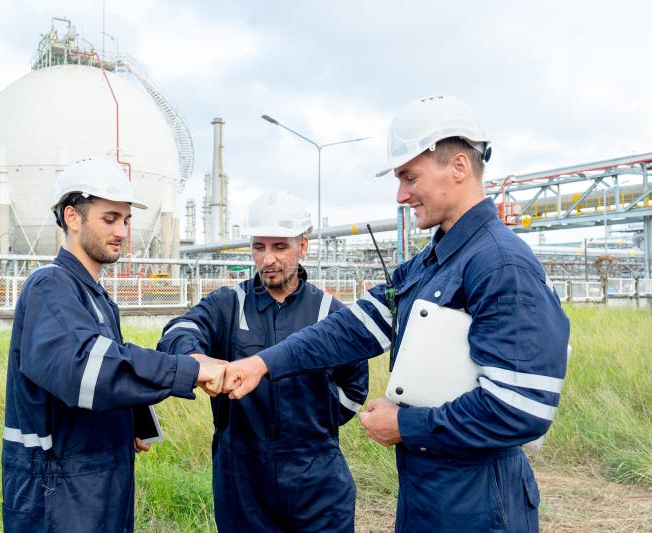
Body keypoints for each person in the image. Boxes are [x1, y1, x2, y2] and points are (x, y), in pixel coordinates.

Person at [222, 96, 570, 532]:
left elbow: (520, 407)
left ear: (459, 167)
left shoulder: (500, 265)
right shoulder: (433, 262)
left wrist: (406, 425)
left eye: (410, 176)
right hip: (431, 494)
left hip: (481, 504)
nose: (401, 194)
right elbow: (350, 329)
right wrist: (262, 363)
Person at [1, 157, 225, 532]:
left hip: (98, 478)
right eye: (109, 219)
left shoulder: (97, 297)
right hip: (58, 490)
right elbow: (86, 369)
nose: (121, 230)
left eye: (125, 220)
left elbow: (104, 369)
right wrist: (191, 369)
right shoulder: (50, 287)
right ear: (73, 217)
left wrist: (131, 423)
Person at [157, 190, 368, 532]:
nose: (268, 259)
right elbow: (180, 327)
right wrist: (194, 357)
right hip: (243, 477)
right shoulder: (229, 304)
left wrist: (316, 421)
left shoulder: (329, 313)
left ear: (303, 246)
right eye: (259, 247)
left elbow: (355, 386)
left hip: (315, 477)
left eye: (280, 247)